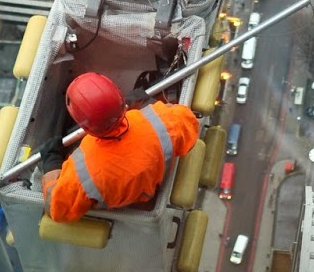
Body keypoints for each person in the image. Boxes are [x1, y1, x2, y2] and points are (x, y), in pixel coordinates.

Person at [41, 72, 198, 224]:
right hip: (155, 191)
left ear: (85, 128)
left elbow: (55, 208)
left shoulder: (83, 172)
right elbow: (188, 121)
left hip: (128, 212)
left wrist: (51, 162)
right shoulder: (161, 121)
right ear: (121, 99)